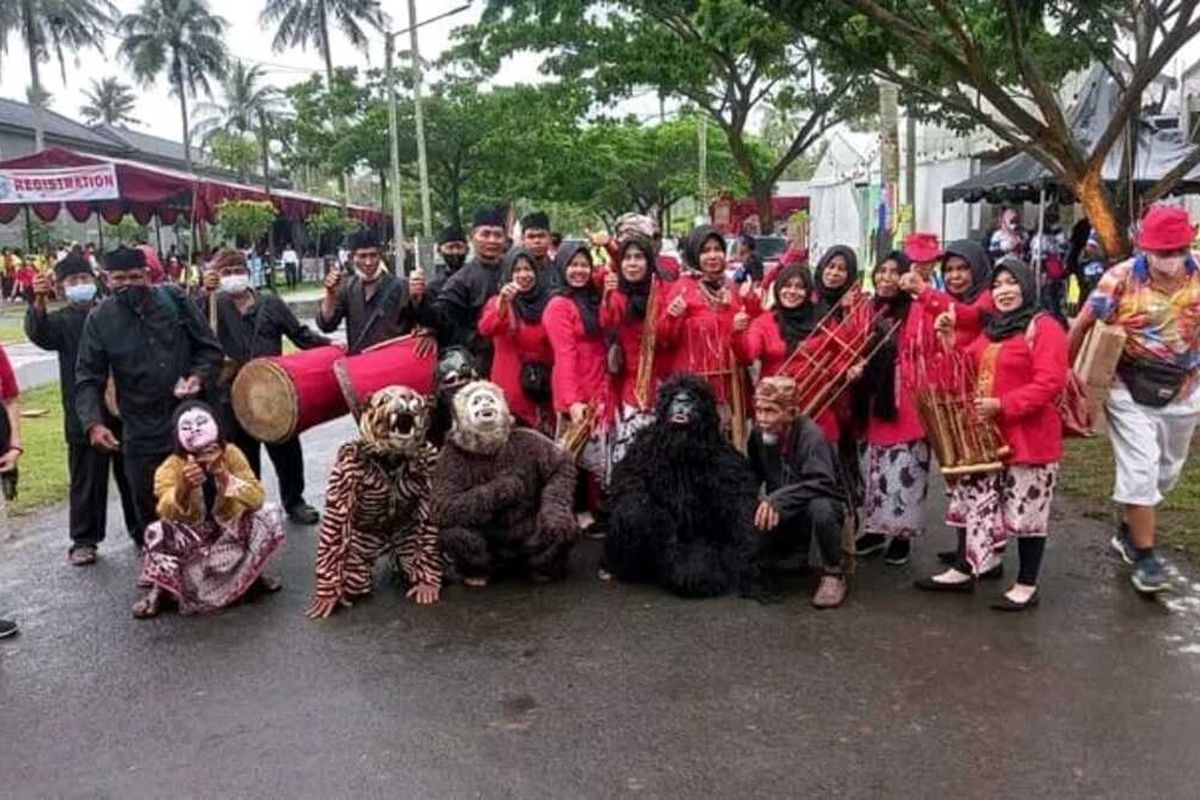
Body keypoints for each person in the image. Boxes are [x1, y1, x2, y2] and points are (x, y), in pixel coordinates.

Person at [917, 258, 1068, 610]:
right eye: (997, 285)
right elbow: (968, 364)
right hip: (985, 437)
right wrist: (950, 341)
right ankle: (968, 565)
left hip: (1029, 438)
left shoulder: (1044, 327)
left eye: (1011, 283)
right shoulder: (994, 329)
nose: (1003, 291)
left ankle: (1027, 584)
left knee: (1027, 512)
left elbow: (1050, 382)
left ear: (1027, 286)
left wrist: (1004, 404)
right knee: (976, 500)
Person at [1071, 205, 1200, 594]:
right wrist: (1066, 377)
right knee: (1141, 468)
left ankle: (1131, 523)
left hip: (1184, 387)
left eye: (1177, 250)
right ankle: (1146, 556)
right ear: (1146, 249)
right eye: (1162, 252)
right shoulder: (1121, 278)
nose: (1169, 260)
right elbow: (1082, 324)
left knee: (1166, 472)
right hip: (1126, 385)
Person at [75, 246, 224, 548]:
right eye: (119, 278)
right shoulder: (100, 319)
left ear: (147, 275)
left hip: (189, 419)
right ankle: (162, 577)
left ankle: (224, 566)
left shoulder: (174, 300)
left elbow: (210, 350)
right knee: (149, 504)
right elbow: (88, 376)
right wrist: (93, 423)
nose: (127, 284)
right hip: (140, 426)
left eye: (134, 276)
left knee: (211, 495)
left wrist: (197, 376)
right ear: (106, 280)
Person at [201, 250, 331, 524]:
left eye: (238, 269)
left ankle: (294, 501)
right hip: (231, 397)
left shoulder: (270, 304)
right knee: (242, 457)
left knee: (287, 451)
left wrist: (333, 349)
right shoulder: (212, 304)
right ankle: (250, 505)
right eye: (226, 272)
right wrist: (203, 292)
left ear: (248, 271)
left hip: (273, 392)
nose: (233, 276)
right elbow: (191, 325)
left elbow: (300, 335)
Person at [603, 375, 761, 598]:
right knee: (629, 515)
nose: (681, 409)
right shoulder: (648, 444)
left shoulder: (718, 453)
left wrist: (747, 554)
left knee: (695, 579)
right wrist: (654, 518)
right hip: (655, 530)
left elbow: (740, 502)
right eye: (676, 402)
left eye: (688, 403)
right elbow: (625, 481)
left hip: (696, 536)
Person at [26, 253, 137, 565]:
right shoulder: (61, 322)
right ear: (62, 288)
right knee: (86, 479)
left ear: (95, 280)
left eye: (84, 279)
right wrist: (38, 298)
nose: (80, 285)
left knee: (132, 473)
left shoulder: (113, 312)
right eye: (73, 281)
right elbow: (39, 333)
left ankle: (142, 530)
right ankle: (84, 539)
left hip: (123, 406)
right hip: (82, 412)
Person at [133, 401, 285, 618]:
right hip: (194, 546)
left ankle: (252, 577)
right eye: (187, 427)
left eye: (201, 423)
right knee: (157, 531)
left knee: (268, 513)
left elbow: (257, 498)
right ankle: (160, 590)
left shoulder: (231, 454)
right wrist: (184, 487)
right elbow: (165, 511)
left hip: (227, 537)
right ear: (178, 435)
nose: (195, 430)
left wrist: (222, 474)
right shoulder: (171, 466)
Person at [308, 386, 442, 617]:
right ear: (369, 414)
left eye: (410, 399)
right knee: (350, 587)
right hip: (364, 532)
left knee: (442, 571)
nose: (403, 401)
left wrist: (427, 573)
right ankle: (366, 566)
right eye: (387, 400)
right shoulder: (352, 460)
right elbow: (336, 524)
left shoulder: (425, 456)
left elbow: (430, 517)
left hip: (405, 529)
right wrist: (328, 584)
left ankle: (404, 560)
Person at [432, 380, 578, 587]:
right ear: (463, 416)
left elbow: (563, 465)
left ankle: (543, 568)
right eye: (477, 402)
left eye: (490, 400)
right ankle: (478, 570)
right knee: (452, 534)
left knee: (560, 524)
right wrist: (496, 492)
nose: (484, 405)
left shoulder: (527, 440)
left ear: (504, 410)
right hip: (484, 536)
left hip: (528, 528)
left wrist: (555, 506)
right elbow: (442, 510)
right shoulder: (452, 455)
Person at [853, 251, 933, 566]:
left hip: (905, 400)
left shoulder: (917, 310)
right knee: (873, 469)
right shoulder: (864, 308)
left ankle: (901, 537)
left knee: (905, 470)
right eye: (881, 271)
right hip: (872, 399)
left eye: (893, 272)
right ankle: (874, 530)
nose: (886, 277)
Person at [748, 376, 849, 608]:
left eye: (771, 411)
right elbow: (752, 476)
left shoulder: (811, 436)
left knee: (821, 508)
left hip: (816, 500)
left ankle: (833, 573)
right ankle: (791, 554)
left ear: (790, 412)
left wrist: (777, 499)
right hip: (783, 505)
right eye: (759, 410)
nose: (762, 418)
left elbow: (823, 481)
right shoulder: (757, 434)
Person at [658, 226, 755, 436]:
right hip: (692, 388)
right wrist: (673, 316)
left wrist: (741, 326)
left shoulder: (732, 289)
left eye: (717, 249)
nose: (712, 256)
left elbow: (745, 351)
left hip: (728, 390)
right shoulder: (681, 288)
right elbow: (663, 340)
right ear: (694, 254)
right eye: (705, 250)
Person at [731, 263, 838, 444]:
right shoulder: (764, 323)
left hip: (817, 406)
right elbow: (747, 355)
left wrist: (844, 370)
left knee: (815, 465)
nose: (792, 291)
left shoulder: (824, 320)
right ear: (778, 288)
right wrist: (737, 333)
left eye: (799, 287)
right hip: (774, 412)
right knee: (773, 466)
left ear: (808, 291)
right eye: (787, 286)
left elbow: (840, 354)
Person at [544, 240, 612, 493]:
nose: (579, 271)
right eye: (573, 265)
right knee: (571, 458)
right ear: (561, 266)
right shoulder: (558, 305)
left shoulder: (592, 299)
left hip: (599, 384)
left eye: (584, 265)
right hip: (575, 388)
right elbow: (565, 355)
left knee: (598, 454)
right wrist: (573, 400)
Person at [600, 235, 673, 464]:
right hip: (631, 385)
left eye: (639, 257)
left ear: (649, 261)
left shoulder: (662, 290)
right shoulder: (617, 294)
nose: (632, 263)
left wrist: (671, 316)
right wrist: (607, 296)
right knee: (632, 454)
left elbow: (669, 338)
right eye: (627, 258)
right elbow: (608, 321)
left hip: (662, 382)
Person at [316, 228, 436, 355]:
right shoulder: (347, 288)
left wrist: (419, 299)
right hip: (360, 365)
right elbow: (327, 325)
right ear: (352, 258)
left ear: (381, 255)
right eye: (362, 256)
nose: (368, 262)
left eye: (373, 255)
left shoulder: (403, 287)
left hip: (395, 363)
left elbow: (427, 322)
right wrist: (330, 294)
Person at [477, 247, 555, 434]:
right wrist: (503, 304)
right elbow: (486, 329)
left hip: (543, 390)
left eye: (528, 269)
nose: (523, 275)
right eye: (517, 270)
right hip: (511, 391)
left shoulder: (549, 301)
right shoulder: (498, 302)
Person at [433, 206, 509, 371]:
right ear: (472, 238)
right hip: (477, 362)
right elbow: (441, 317)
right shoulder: (461, 280)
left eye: (497, 235)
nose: (492, 240)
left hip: (515, 359)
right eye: (485, 234)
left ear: (505, 239)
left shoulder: (517, 270)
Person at [813, 245, 859, 316]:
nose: (834, 273)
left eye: (841, 269)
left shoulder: (856, 304)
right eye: (831, 266)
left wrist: (846, 310)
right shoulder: (807, 296)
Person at [430, 224, 468, 296]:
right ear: (440, 251)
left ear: (467, 249)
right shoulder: (434, 285)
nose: (455, 252)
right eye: (450, 247)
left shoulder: (475, 278)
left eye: (459, 247)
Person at [521, 210, 556, 284]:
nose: (537, 241)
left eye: (541, 236)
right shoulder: (514, 273)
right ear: (523, 239)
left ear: (550, 238)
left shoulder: (560, 271)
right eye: (531, 237)